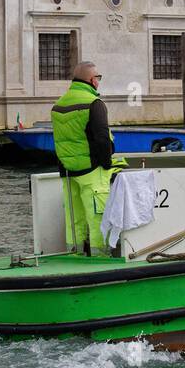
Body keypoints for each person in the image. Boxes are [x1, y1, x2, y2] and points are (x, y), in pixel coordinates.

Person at [51, 61, 116, 255]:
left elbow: (61, 139)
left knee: (74, 217)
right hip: (92, 169)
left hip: (68, 170)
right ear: (91, 80)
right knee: (97, 216)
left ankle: (75, 254)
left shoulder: (59, 105)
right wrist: (106, 164)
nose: (99, 81)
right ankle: (100, 257)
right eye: (98, 77)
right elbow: (102, 138)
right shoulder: (94, 104)